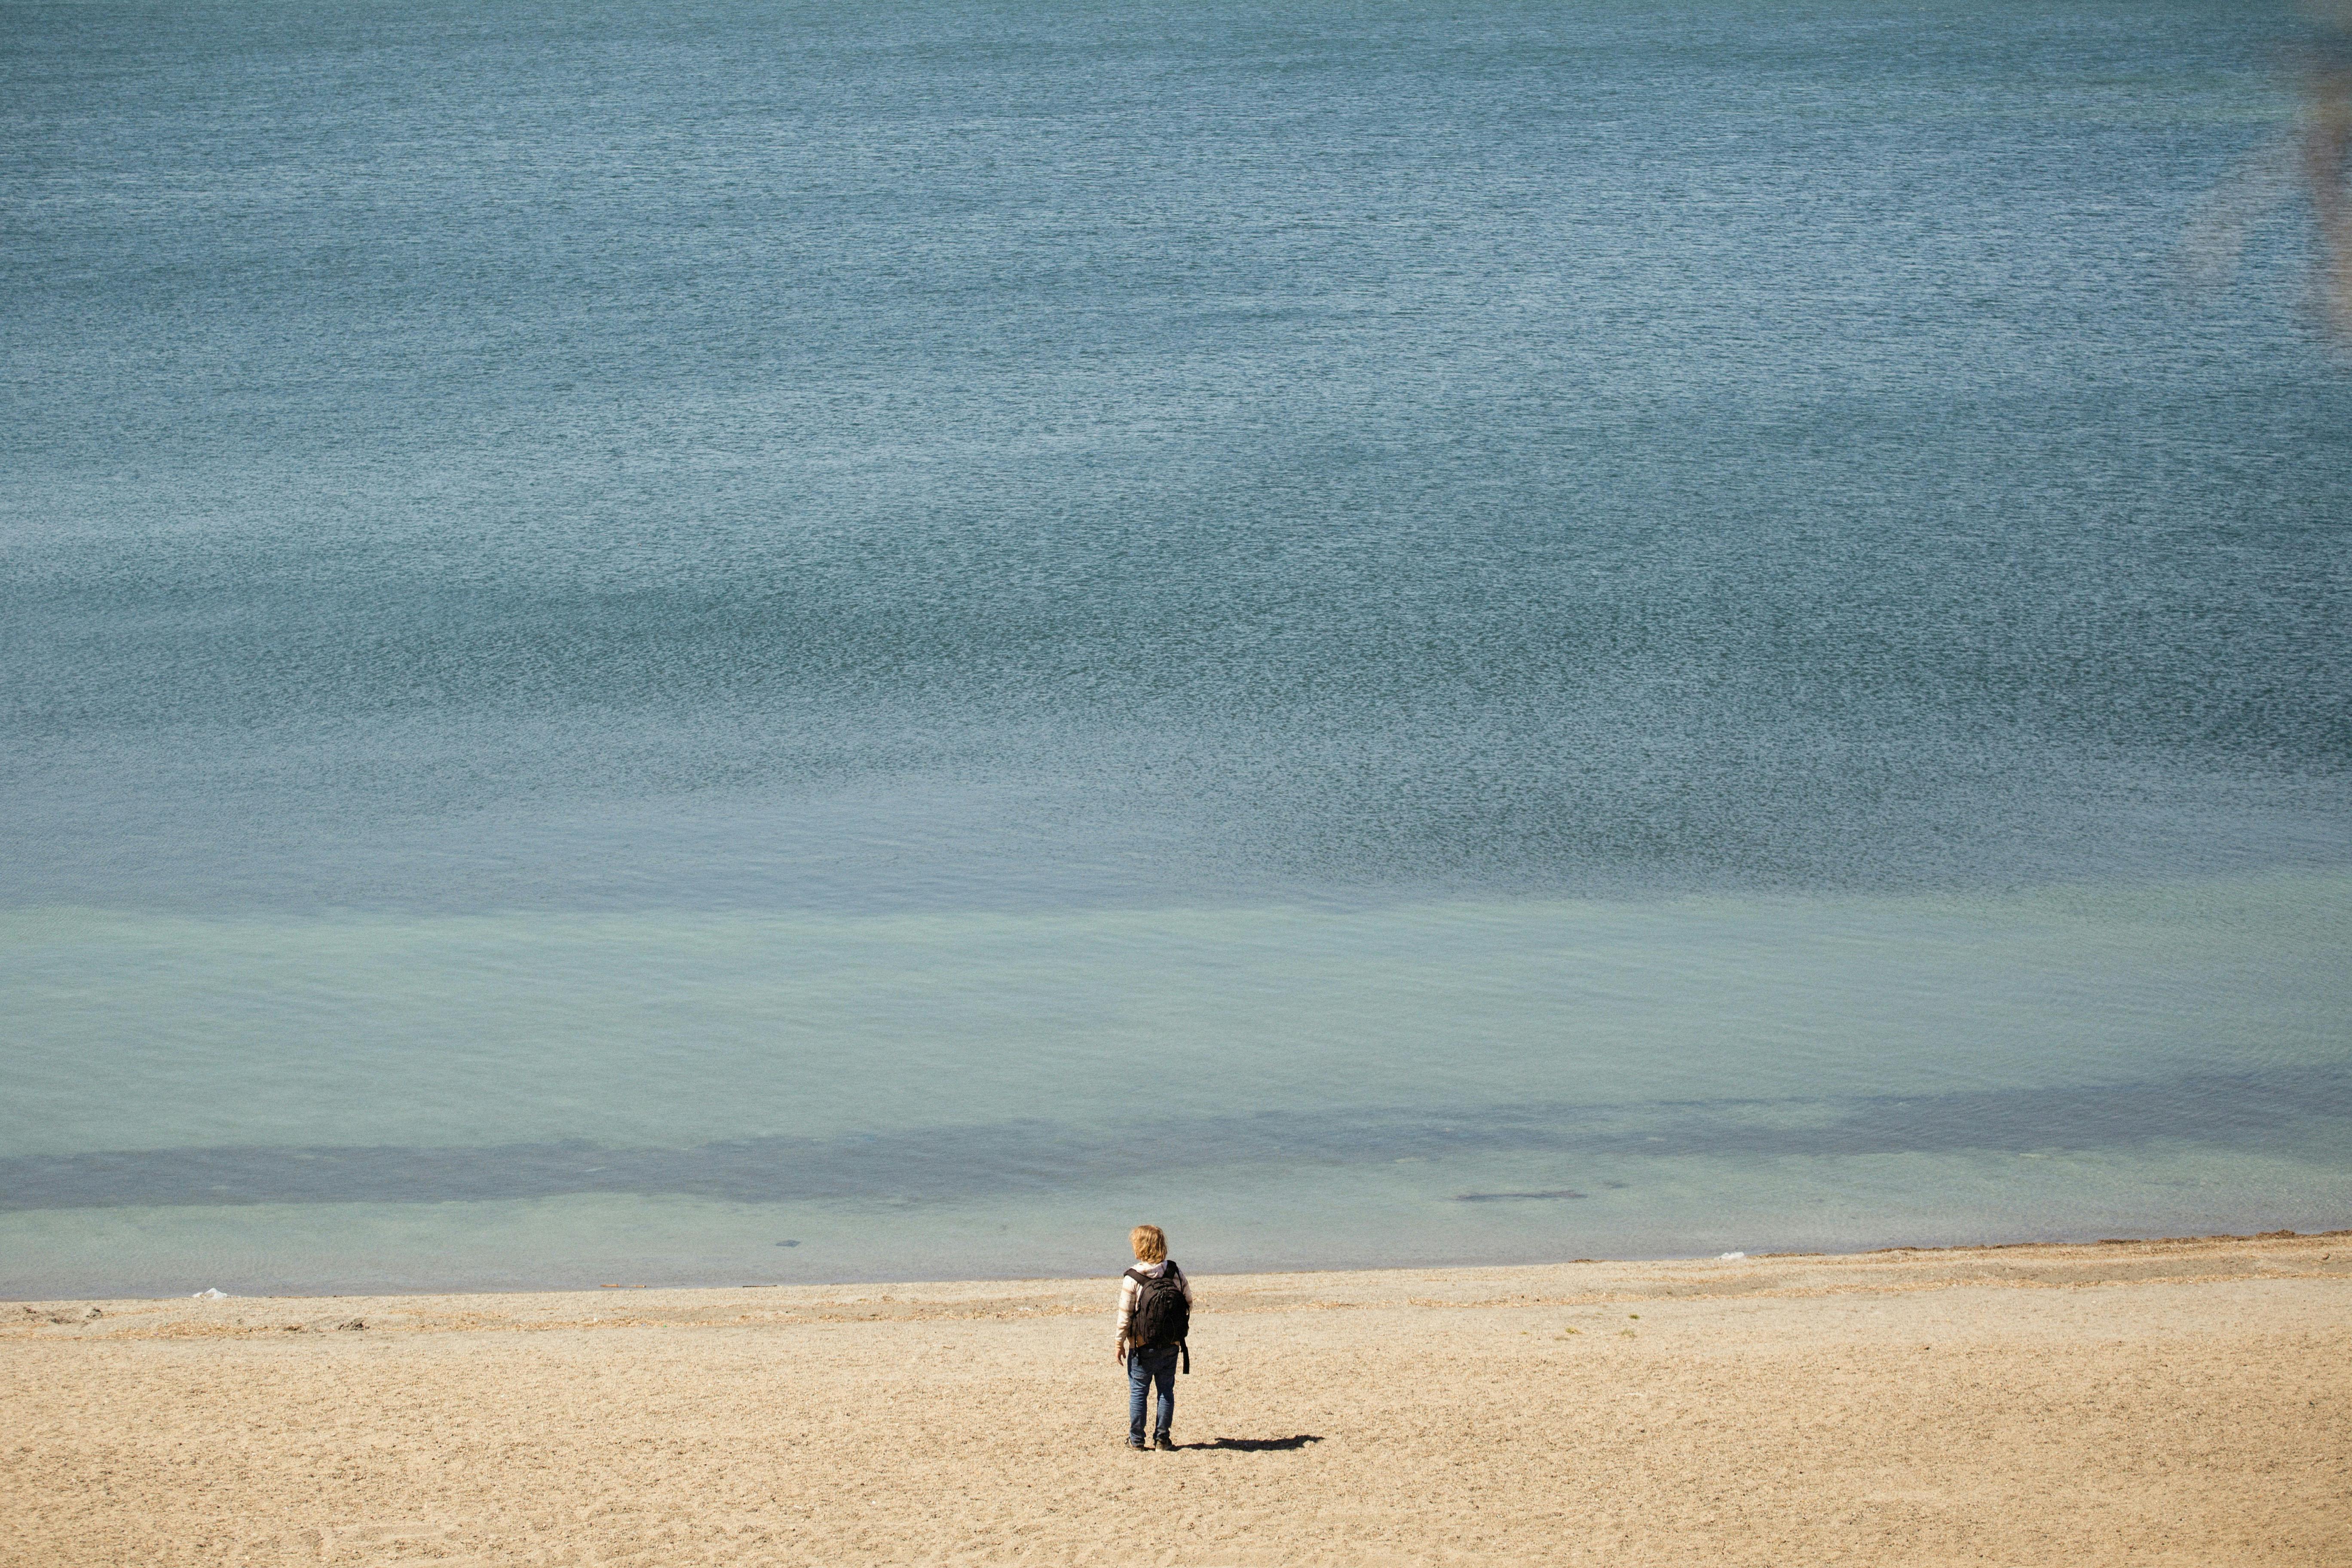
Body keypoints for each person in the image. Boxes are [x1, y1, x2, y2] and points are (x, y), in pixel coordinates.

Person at [1113, 1223, 1191, 1451]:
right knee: (1166, 1391)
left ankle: (1137, 1441)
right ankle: (1162, 1440)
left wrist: (1119, 1343)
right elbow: (1188, 1303)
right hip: (1171, 1345)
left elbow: (1125, 1316)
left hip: (1142, 1346)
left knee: (1139, 1392)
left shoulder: (1133, 1277)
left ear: (1139, 1247)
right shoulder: (1175, 1272)